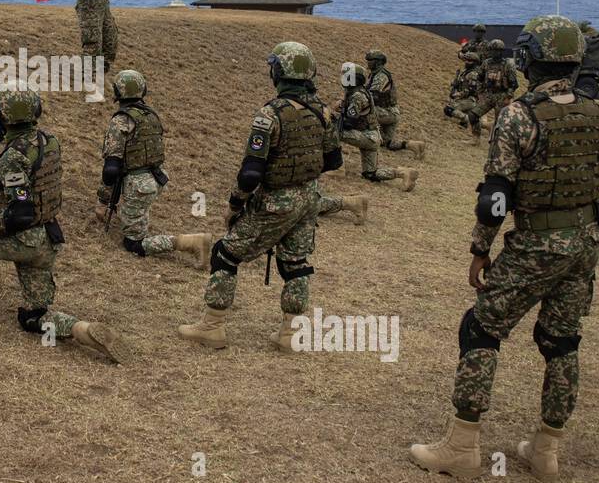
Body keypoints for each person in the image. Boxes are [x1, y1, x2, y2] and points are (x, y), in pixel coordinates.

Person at [410, 16, 599, 480]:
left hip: (537, 245)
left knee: (481, 328)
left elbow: (496, 197)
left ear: (530, 59)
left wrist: (479, 250)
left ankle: (462, 446)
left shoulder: (518, 114)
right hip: (586, 243)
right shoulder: (594, 111)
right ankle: (546, 449)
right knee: (561, 341)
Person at [0, 89, 121, 362]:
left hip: (24, 239)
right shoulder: (48, 141)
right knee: (33, 316)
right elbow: (31, 189)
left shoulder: (12, 157)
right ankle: (82, 330)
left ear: (4, 115)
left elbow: (19, 212)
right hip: (48, 239)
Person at [178, 42, 341, 350]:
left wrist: (235, 203)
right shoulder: (324, 112)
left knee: (225, 254)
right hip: (309, 198)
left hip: (275, 201)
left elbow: (251, 172)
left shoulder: (270, 115)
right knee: (296, 263)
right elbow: (334, 161)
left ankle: (212, 327)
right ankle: (290, 334)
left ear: (278, 72)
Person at [94, 69, 212, 266]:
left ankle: (192, 242)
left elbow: (111, 169)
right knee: (136, 212)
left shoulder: (121, 120)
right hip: (154, 179)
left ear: (117, 92)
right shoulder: (150, 116)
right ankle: (138, 221)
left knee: (134, 244)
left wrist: (103, 200)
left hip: (138, 186)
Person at [335, 63, 418, 191]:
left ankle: (336, 168)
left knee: (334, 132)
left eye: (347, 76)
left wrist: (333, 119)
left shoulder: (357, 95)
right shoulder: (357, 92)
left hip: (367, 137)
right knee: (370, 174)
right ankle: (402, 173)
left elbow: (349, 123)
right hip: (372, 137)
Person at [365, 49, 426, 159]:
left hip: (387, 112)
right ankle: (413, 145)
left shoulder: (381, 76)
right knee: (386, 143)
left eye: (370, 60)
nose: (368, 62)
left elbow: (373, 96)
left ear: (378, 62)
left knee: (364, 114)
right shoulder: (374, 75)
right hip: (388, 112)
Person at [460, 39, 519, 144]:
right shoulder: (486, 63)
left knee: (500, 121)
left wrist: (508, 97)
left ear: (501, 51)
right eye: (492, 50)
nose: (494, 53)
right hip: (489, 95)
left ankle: (499, 142)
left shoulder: (508, 65)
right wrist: (480, 93)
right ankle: (475, 138)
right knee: (473, 115)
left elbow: (514, 84)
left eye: (497, 50)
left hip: (502, 95)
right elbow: (480, 78)